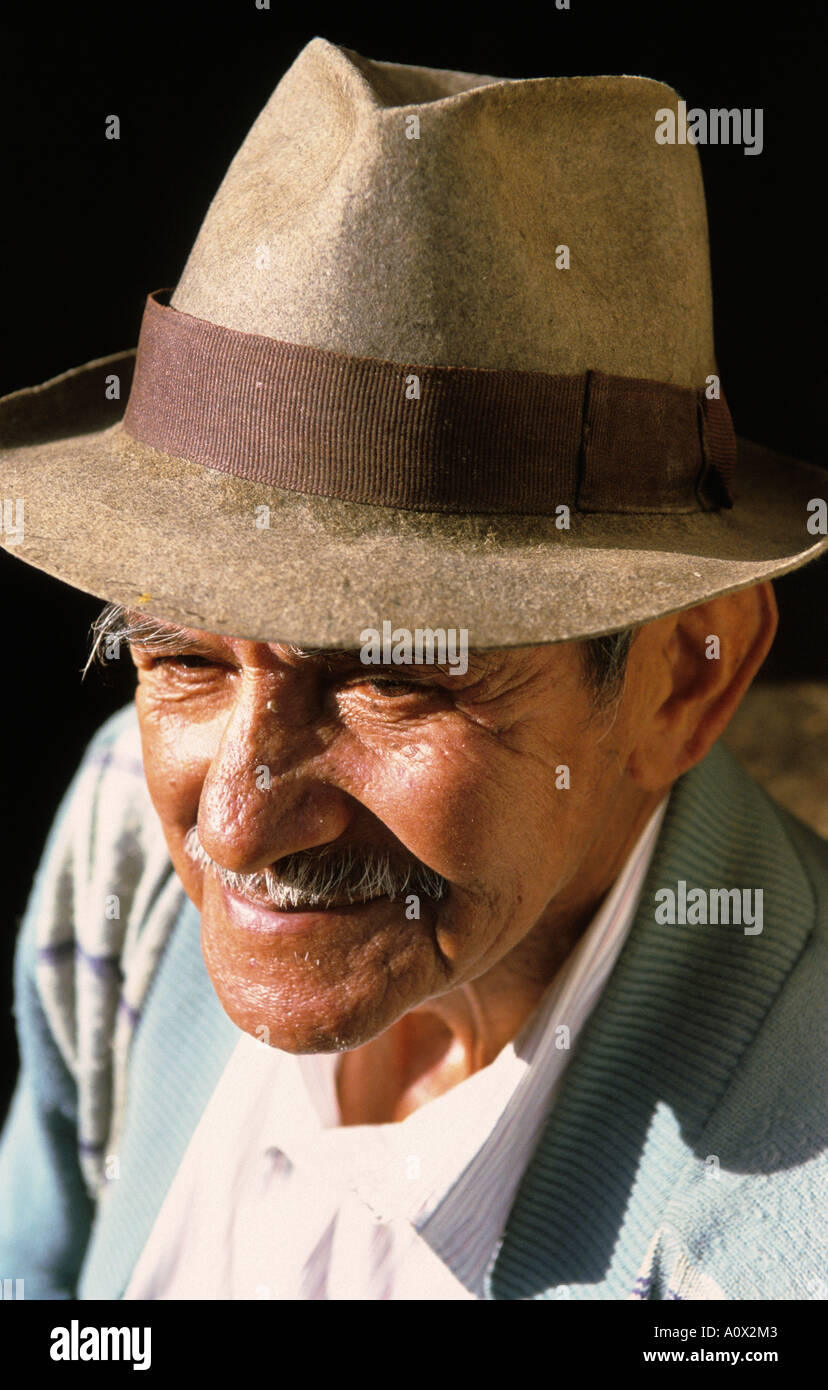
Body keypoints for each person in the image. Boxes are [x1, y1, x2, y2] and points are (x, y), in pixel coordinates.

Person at [0, 37, 825, 1301]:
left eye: (392, 682)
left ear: (686, 680)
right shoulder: (123, 837)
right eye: (182, 655)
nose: (236, 822)